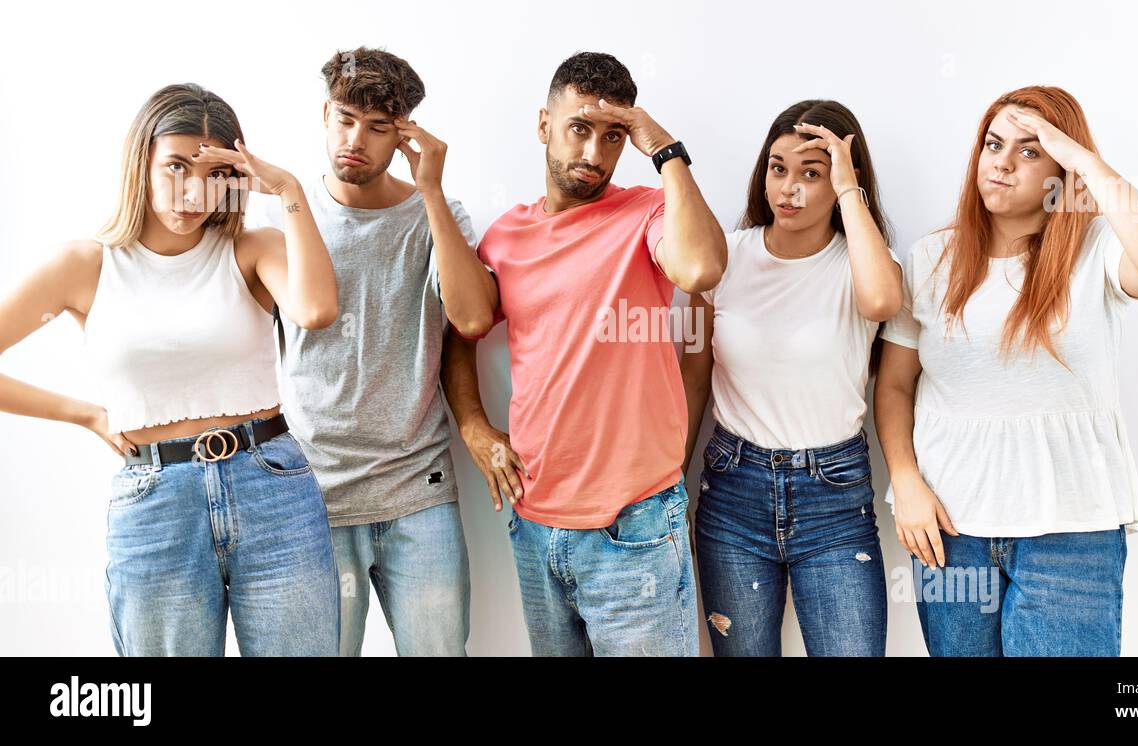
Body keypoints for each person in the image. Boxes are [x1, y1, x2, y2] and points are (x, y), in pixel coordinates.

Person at [0, 83, 341, 655]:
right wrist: (85, 415)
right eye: (176, 167)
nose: (193, 192)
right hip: (156, 501)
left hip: (273, 486)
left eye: (214, 174)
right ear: (142, 162)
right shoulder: (85, 266)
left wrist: (286, 188)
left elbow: (316, 310)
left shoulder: (253, 249)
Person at [874, 86, 1138, 656]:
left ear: (1061, 170)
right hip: (952, 527)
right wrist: (905, 480)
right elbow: (896, 385)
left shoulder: (1096, 249)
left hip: (1072, 531)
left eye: (1030, 151)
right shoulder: (930, 260)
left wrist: (1085, 161)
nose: (1001, 161)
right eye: (993, 144)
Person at [442, 51, 727, 656]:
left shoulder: (647, 210)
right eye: (579, 128)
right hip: (534, 521)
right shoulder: (506, 235)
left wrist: (668, 152)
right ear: (544, 124)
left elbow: (701, 267)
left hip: (635, 526)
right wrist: (471, 424)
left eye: (613, 135)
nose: (596, 154)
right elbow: (461, 330)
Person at [247, 47, 490, 656]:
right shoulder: (284, 222)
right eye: (346, 119)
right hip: (311, 493)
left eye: (379, 127)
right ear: (324, 113)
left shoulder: (438, 216)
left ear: (404, 134)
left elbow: (472, 318)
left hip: (419, 487)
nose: (356, 139)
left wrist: (431, 190)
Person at [680, 99, 901, 656]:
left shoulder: (868, 263)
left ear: (845, 183)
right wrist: (670, 488)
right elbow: (692, 378)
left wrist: (851, 191)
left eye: (812, 173)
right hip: (733, 490)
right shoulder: (722, 258)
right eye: (778, 168)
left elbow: (881, 303)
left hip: (833, 496)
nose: (789, 189)